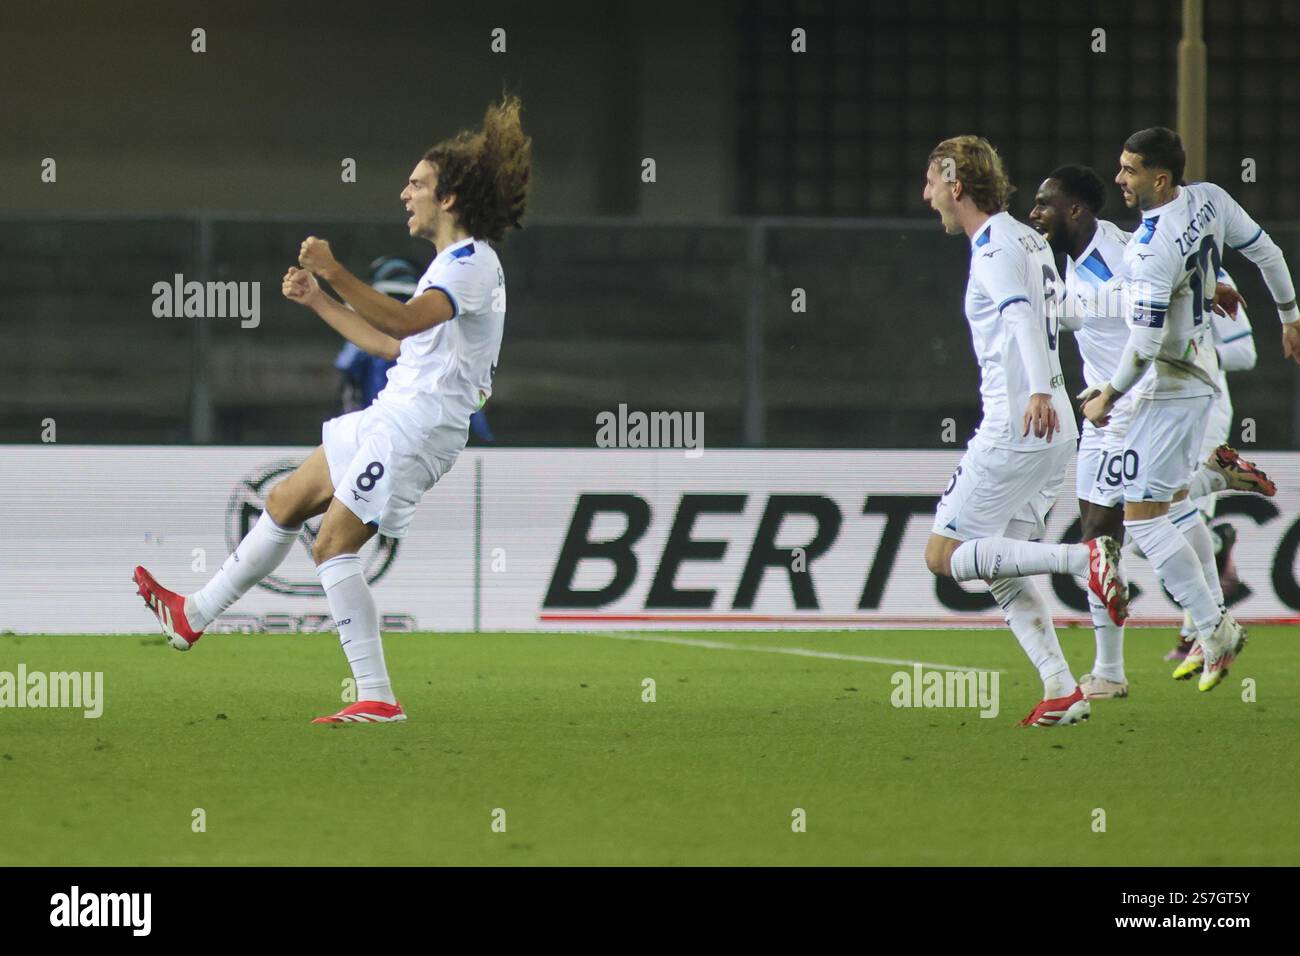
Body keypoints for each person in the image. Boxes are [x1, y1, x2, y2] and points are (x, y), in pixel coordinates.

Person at [134, 95, 531, 723]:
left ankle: (377, 697)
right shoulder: (449, 266)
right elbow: (396, 343)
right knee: (287, 500)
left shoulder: (471, 265)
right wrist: (321, 301)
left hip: (416, 431)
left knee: (332, 548)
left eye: (417, 183)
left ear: (449, 198)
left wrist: (334, 270)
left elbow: (401, 317)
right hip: (391, 413)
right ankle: (192, 616)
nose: (405, 192)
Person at [1028, 165, 1273, 697]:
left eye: (1045, 203)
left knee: (1135, 525)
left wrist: (1217, 286)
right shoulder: (1075, 262)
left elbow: (1165, 277)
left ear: (1076, 210)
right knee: (1102, 535)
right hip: (1102, 408)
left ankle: (1207, 626)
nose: (1035, 212)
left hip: (1135, 405)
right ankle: (1111, 671)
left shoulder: (1117, 249)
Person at [1080, 127, 1299, 691]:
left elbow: (1147, 343)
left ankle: (1213, 628)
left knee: (1139, 520)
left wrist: (1108, 394)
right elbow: (1267, 251)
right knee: (1165, 507)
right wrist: (1289, 315)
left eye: (1129, 170)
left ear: (1159, 177)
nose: (1119, 179)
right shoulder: (1209, 198)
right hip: (1199, 380)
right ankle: (1214, 479)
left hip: (1172, 386)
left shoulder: (1150, 247)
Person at [920, 135, 1124, 728]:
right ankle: (1062, 688)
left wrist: (1038, 387)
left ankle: (1081, 561)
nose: (926, 193)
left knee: (944, 555)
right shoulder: (1028, 240)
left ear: (956, 186)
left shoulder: (993, 249)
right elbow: (1075, 314)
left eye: (932, 181)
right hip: (1055, 430)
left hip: (1018, 424)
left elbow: (1020, 319)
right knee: (1001, 568)